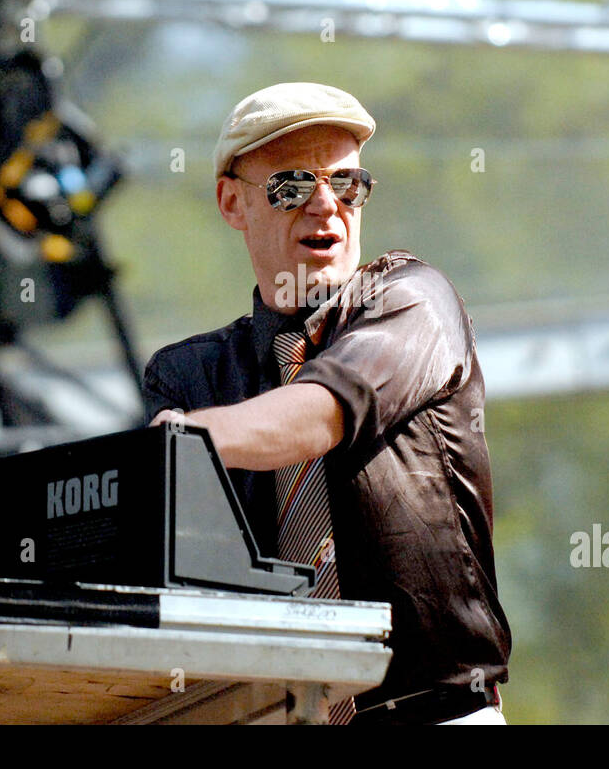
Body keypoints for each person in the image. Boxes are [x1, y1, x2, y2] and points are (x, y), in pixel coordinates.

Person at [143, 82, 511, 725]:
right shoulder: (190, 374)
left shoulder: (413, 301)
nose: (325, 205)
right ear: (233, 203)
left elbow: (318, 414)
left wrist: (183, 440)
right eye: (290, 185)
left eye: (347, 184)